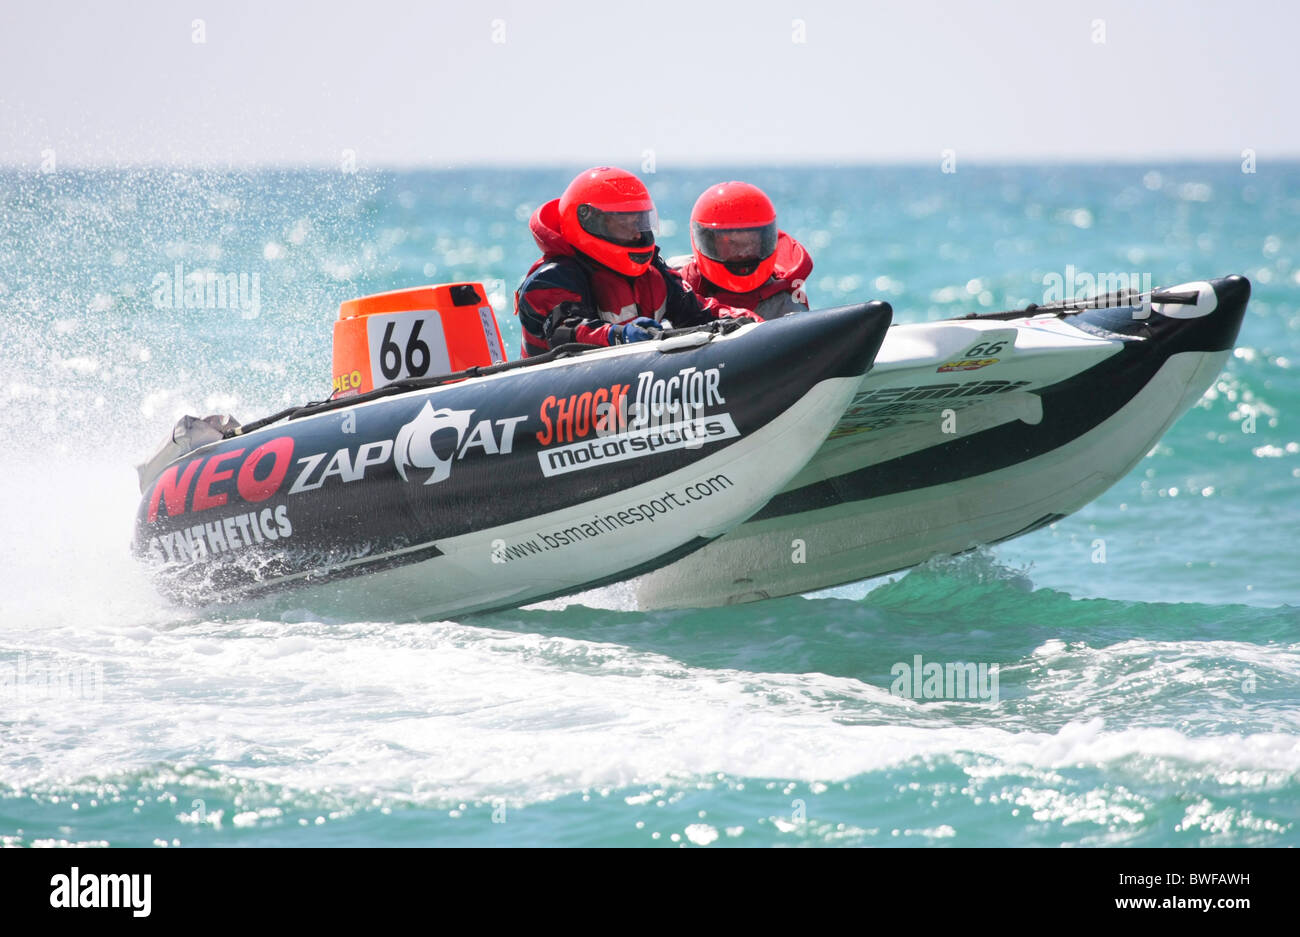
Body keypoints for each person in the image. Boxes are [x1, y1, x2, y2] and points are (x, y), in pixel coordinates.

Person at [515, 167, 755, 357]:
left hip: (632, 384)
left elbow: (699, 311)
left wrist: (747, 321)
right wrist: (620, 335)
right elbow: (566, 333)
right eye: (624, 222)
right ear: (590, 222)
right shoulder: (552, 279)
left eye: (639, 220)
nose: (637, 234)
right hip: (560, 397)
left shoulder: (653, 273)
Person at [678, 181, 814, 320]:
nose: (742, 252)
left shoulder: (788, 309)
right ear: (708, 242)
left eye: (750, 242)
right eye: (730, 243)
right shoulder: (674, 285)